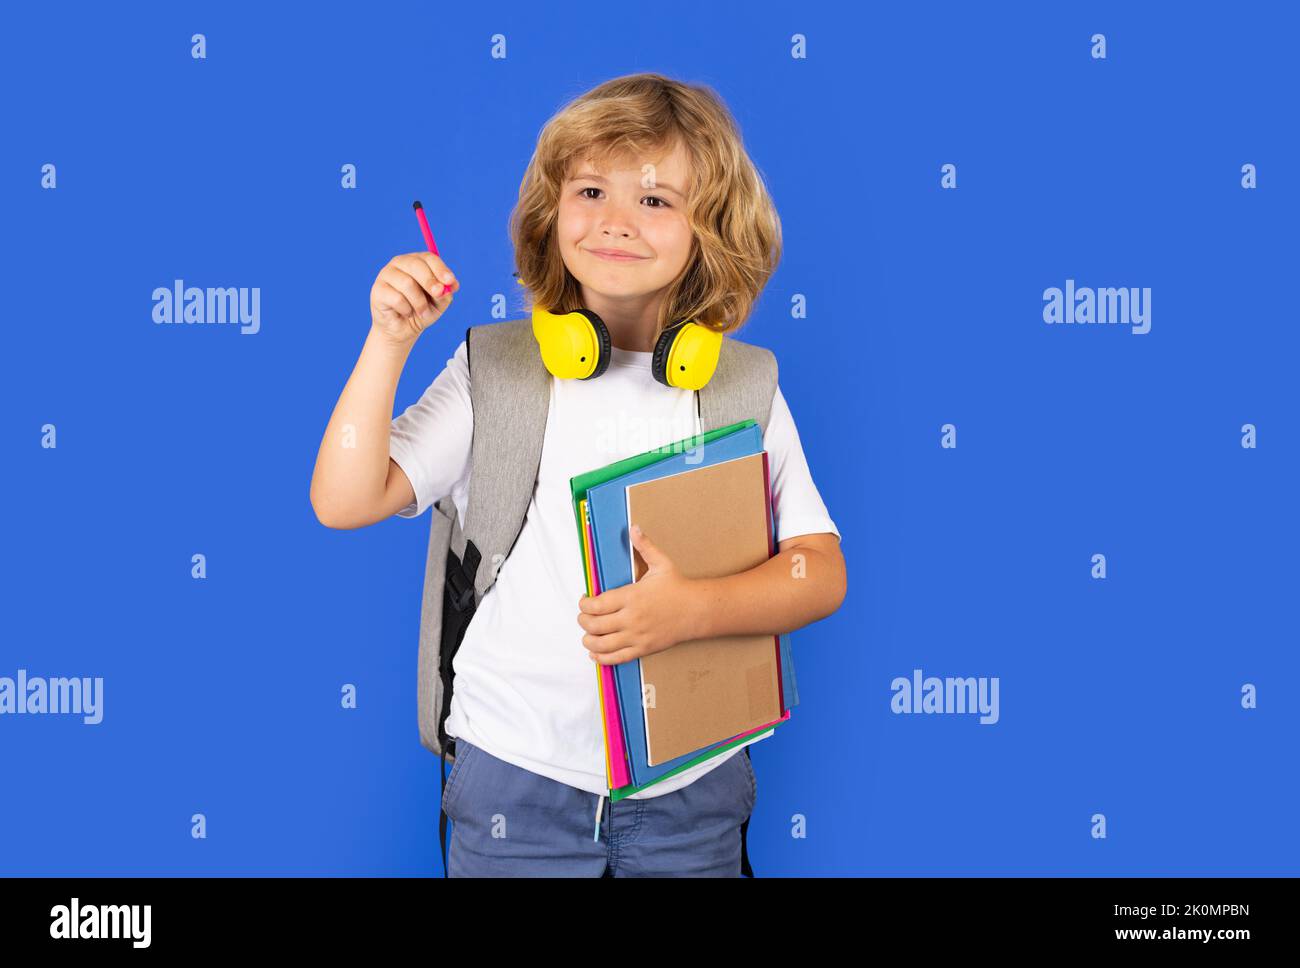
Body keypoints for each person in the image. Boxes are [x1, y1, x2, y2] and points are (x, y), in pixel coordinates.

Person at [310, 72, 846, 876]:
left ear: (712, 231)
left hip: (693, 789)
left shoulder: (743, 387)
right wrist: (388, 342)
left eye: (657, 201)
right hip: (513, 783)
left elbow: (820, 572)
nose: (615, 221)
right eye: (590, 189)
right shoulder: (494, 371)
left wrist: (693, 611)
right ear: (550, 213)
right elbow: (344, 500)